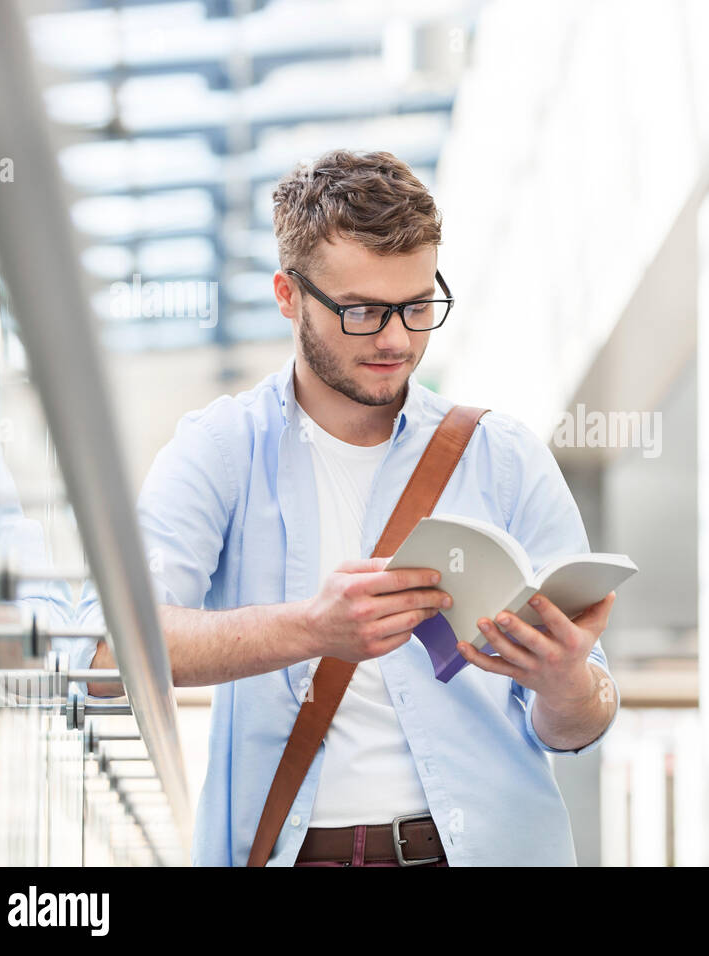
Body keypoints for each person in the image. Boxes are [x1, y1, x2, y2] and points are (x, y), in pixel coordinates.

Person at [59, 149, 620, 866]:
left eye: (418, 307)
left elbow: (576, 725)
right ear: (289, 297)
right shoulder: (222, 449)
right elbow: (107, 647)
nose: (396, 339)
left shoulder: (503, 457)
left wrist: (566, 682)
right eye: (362, 312)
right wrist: (311, 629)